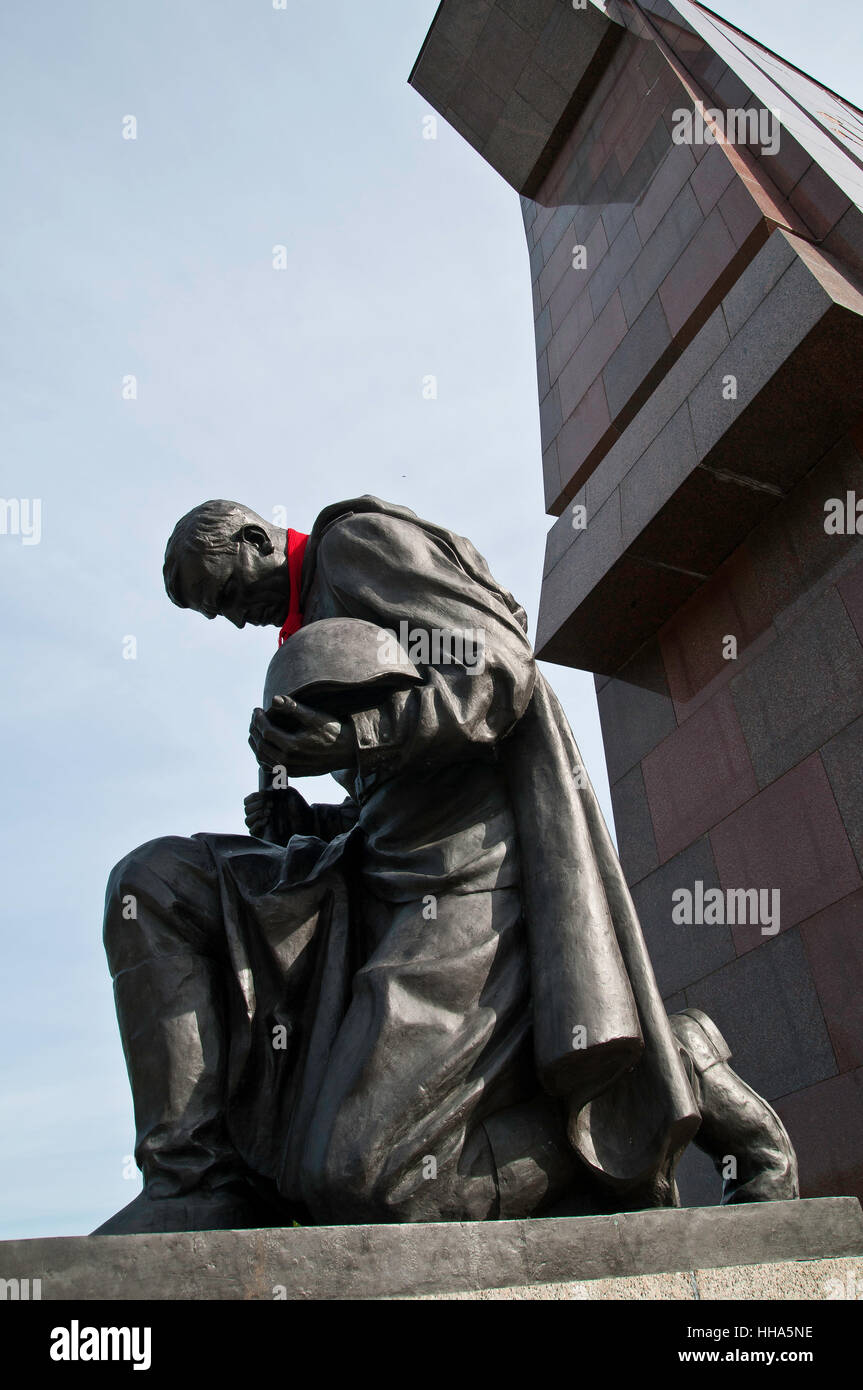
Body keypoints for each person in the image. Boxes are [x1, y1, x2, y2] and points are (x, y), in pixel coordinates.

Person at [95, 495, 797, 1234]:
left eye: (230, 593)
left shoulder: (354, 547)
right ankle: (194, 1185)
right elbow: (399, 788)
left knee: (361, 1185)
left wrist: (356, 735)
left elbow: (496, 667)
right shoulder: (310, 614)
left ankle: (661, 1075)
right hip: (376, 868)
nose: (237, 618)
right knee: (156, 883)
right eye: (219, 615)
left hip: (469, 878)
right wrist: (313, 818)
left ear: (254, 538)